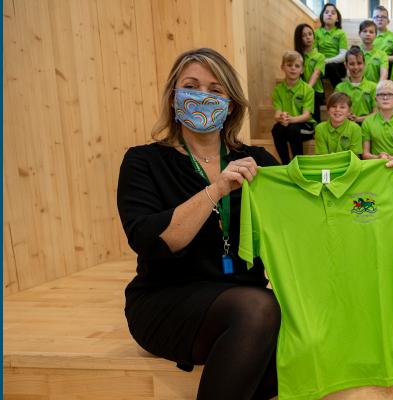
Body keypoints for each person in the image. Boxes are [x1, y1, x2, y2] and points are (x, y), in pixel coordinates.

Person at [117, 48, 280, 400]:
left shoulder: (258, 161)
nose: (202, 97)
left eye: (215, 90)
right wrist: (217, 188)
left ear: (231, 104)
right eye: (191, 86)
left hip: (243, 300)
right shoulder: (143, 161)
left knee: (303, 338)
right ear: (174, 97)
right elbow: (152, 241)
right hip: (166, 300)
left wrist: (373, 191)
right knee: (259, 310)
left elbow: (305, 220)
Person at [270, 51, 314, 164]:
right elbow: (277, 114)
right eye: (289, 65)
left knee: (292, 129)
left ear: (302, 70)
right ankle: (285, 164)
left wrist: (290, 119)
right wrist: (281, 118)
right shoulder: (278, 90)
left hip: (306, 126)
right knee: (276, 129)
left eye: (297, 66)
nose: (293, 68)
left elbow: (306, 115)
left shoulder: (307, 89)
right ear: (282, 67)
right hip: (288, 124)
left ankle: (298, 164)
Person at [333, 46, 377, 124]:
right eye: (352, 64)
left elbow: (376, 113)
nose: (356, 67)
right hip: (345, 126)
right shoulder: (339, 88)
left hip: (367, 126)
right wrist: (345, 115)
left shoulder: (373, 87)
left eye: (359, 63)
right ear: (346, 65)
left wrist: (358, 119)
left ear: (364, 64)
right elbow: (335, 111)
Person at [313, 92, 364, 156]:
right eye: (334, 106)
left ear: (349, 111)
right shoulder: (320, 128)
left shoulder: (355, 128)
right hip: (327, 165)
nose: (337, 110)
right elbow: (323, 156)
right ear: (328, 110)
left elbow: (354, 156)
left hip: (349, 165)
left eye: (342, 107)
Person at [294, 24, 325, 123]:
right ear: (299, 38)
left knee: (312, 98)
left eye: (310, 34)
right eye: (304, 35)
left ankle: (315, 128)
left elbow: (316, 74)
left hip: (316, 91)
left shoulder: (319, 56)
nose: (308, 37)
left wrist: (306, 90)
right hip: (299, 89)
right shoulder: (296, 56)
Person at [314, 3, 349, 88]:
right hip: (321, 65)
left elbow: (343, 56)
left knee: (330, 67)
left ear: (337, 19)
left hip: (338, 66)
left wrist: (326, 61)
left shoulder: (341, 33)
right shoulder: (316, 33)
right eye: (326, 12)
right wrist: (321, 62)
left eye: (333, 13)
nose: (329, 14)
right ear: (322, 16)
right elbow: (314, 52)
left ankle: (341, 92)